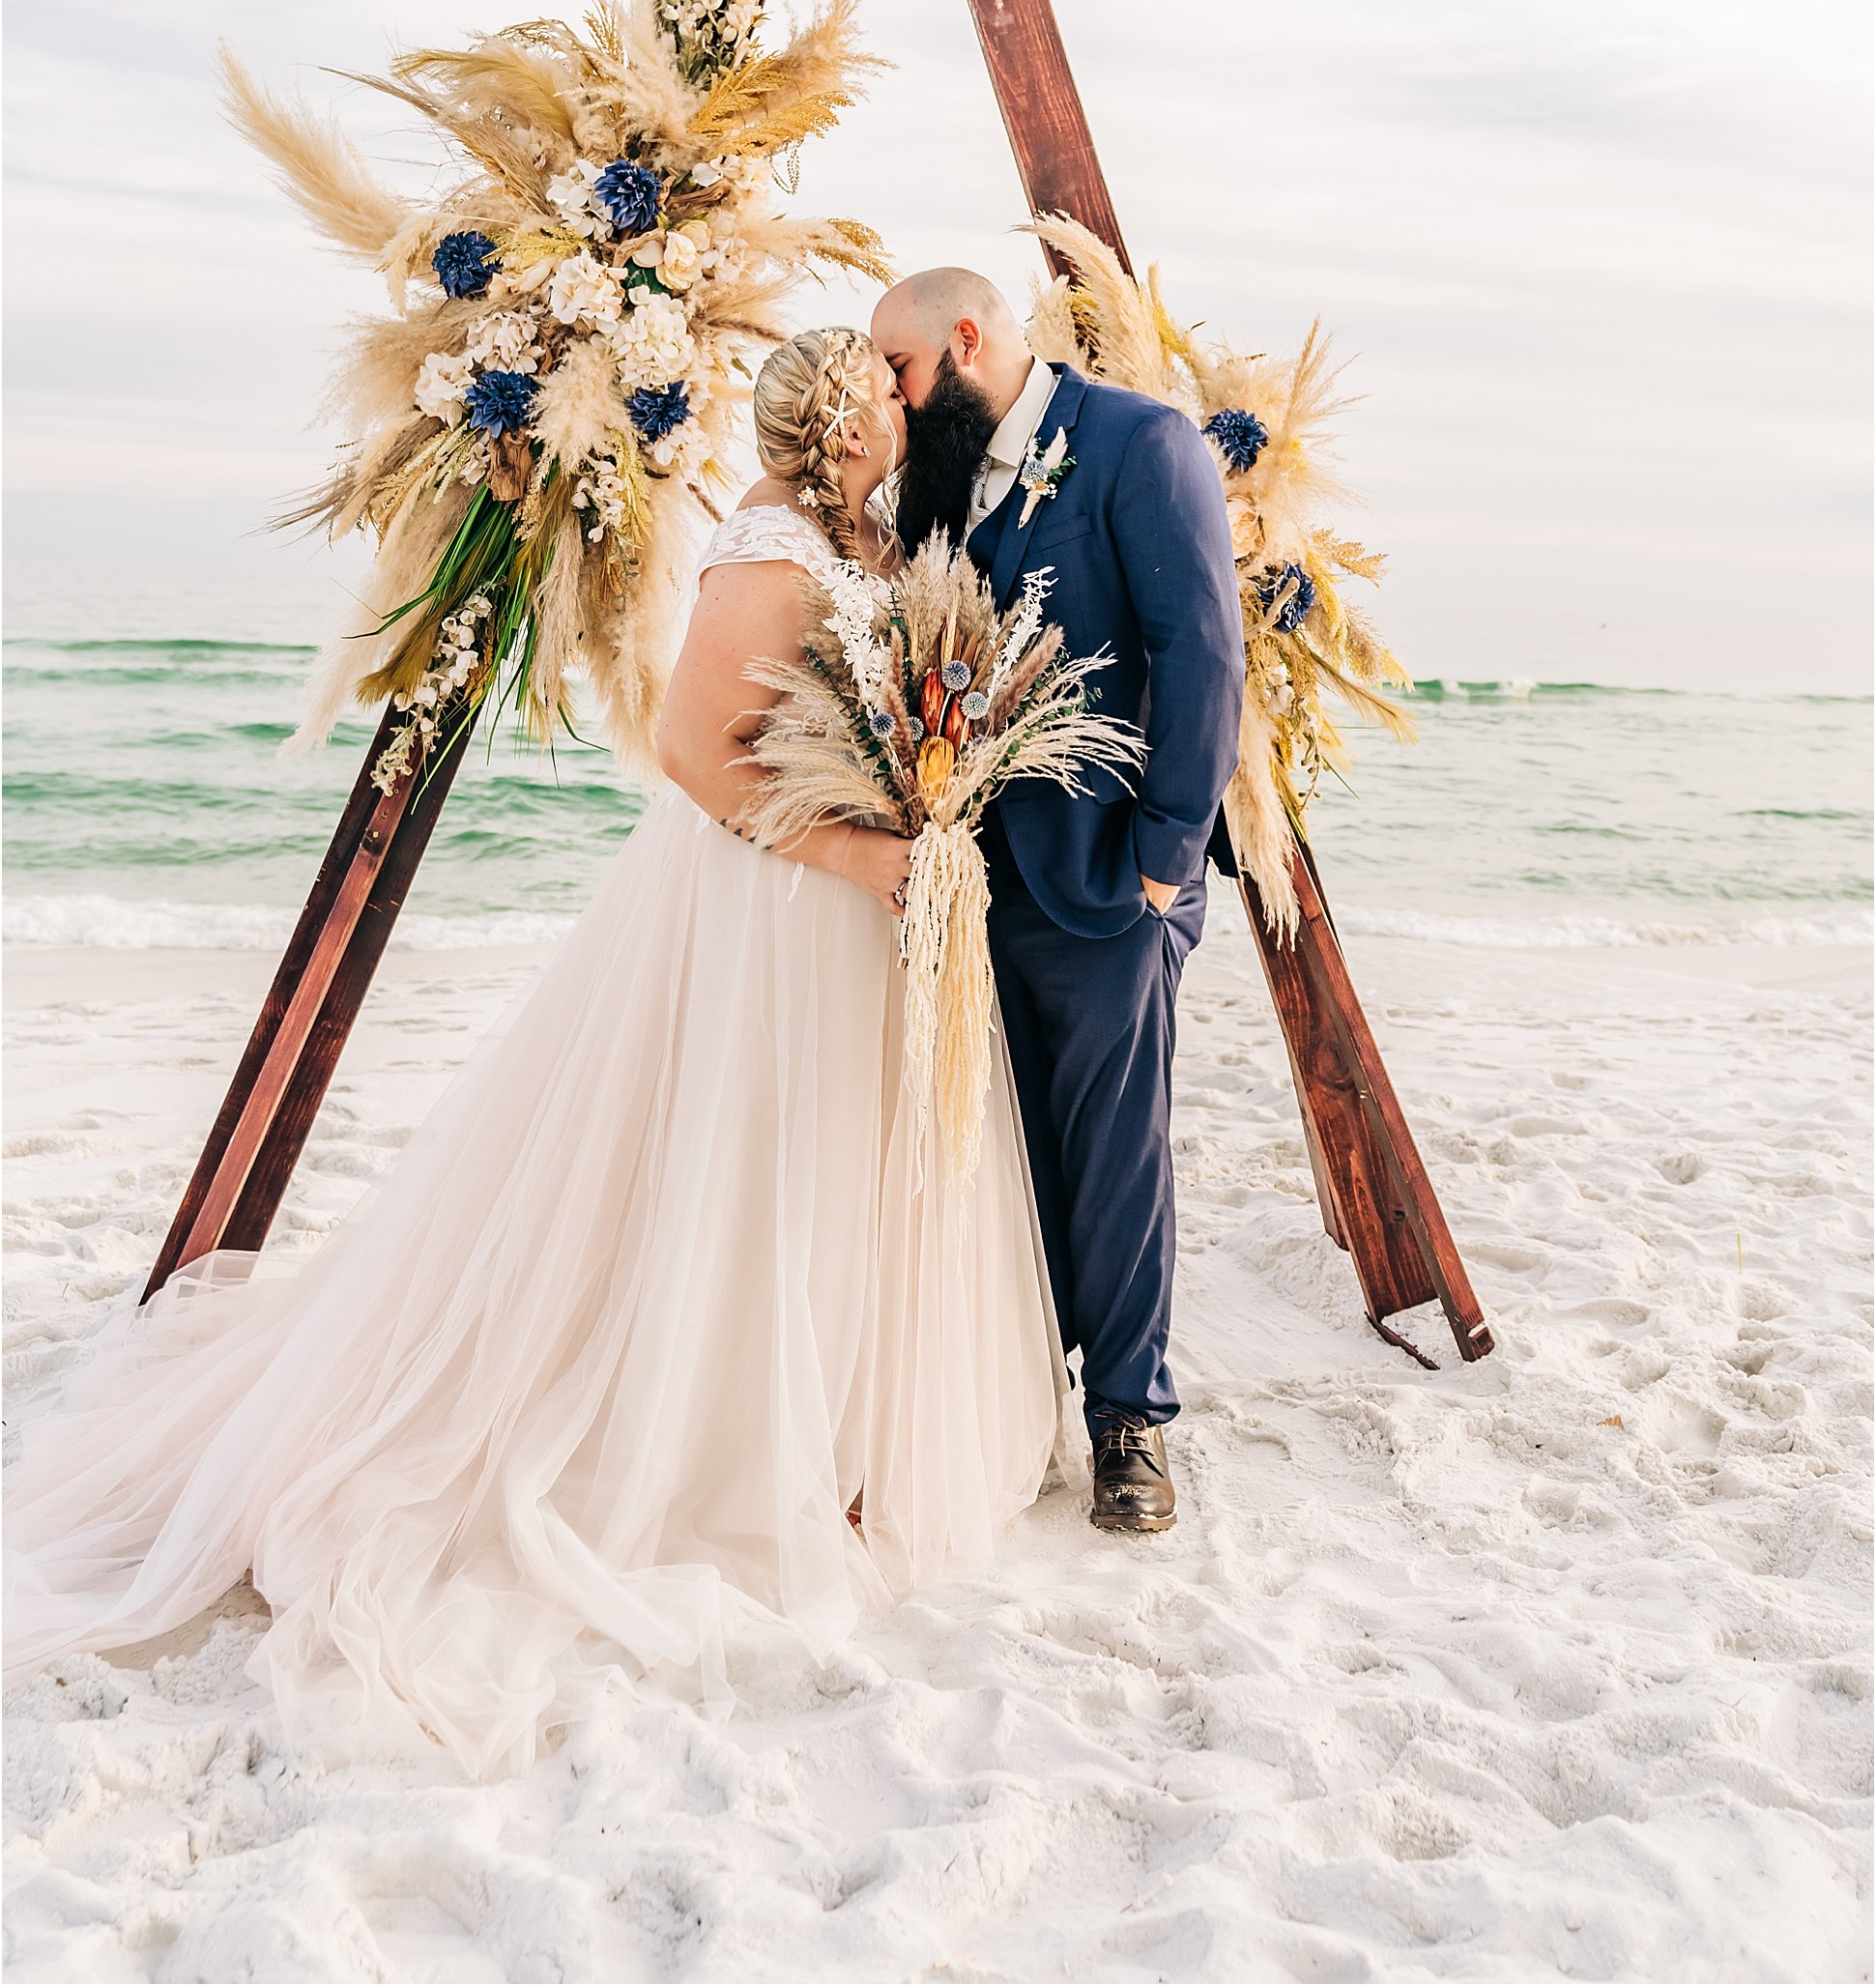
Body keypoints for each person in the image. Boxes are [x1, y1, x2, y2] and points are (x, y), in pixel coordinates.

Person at [3, 329, 1063, 1780]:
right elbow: (697, 753)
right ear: (841, 425)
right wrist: (855, 848)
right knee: (741, 1167)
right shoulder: (766, 548)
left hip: (859, 910)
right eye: (888, 393)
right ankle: (737, 1444)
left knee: (829, 1165)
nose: (910, 406)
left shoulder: (874, 537)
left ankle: (836, 1436)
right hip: (772, 903)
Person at [873, 271, 1245, 1535]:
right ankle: (1023, 1389)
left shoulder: (1139, 444)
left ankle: (1128, 1419)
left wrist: (1164, 853)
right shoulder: (937, 475)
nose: (890, 393)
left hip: (1106, 873)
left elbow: (1200, 645)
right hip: (970, 876)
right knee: (1007, 1148)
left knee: (1115, 1148)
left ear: (964, 339)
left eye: (901, 367)